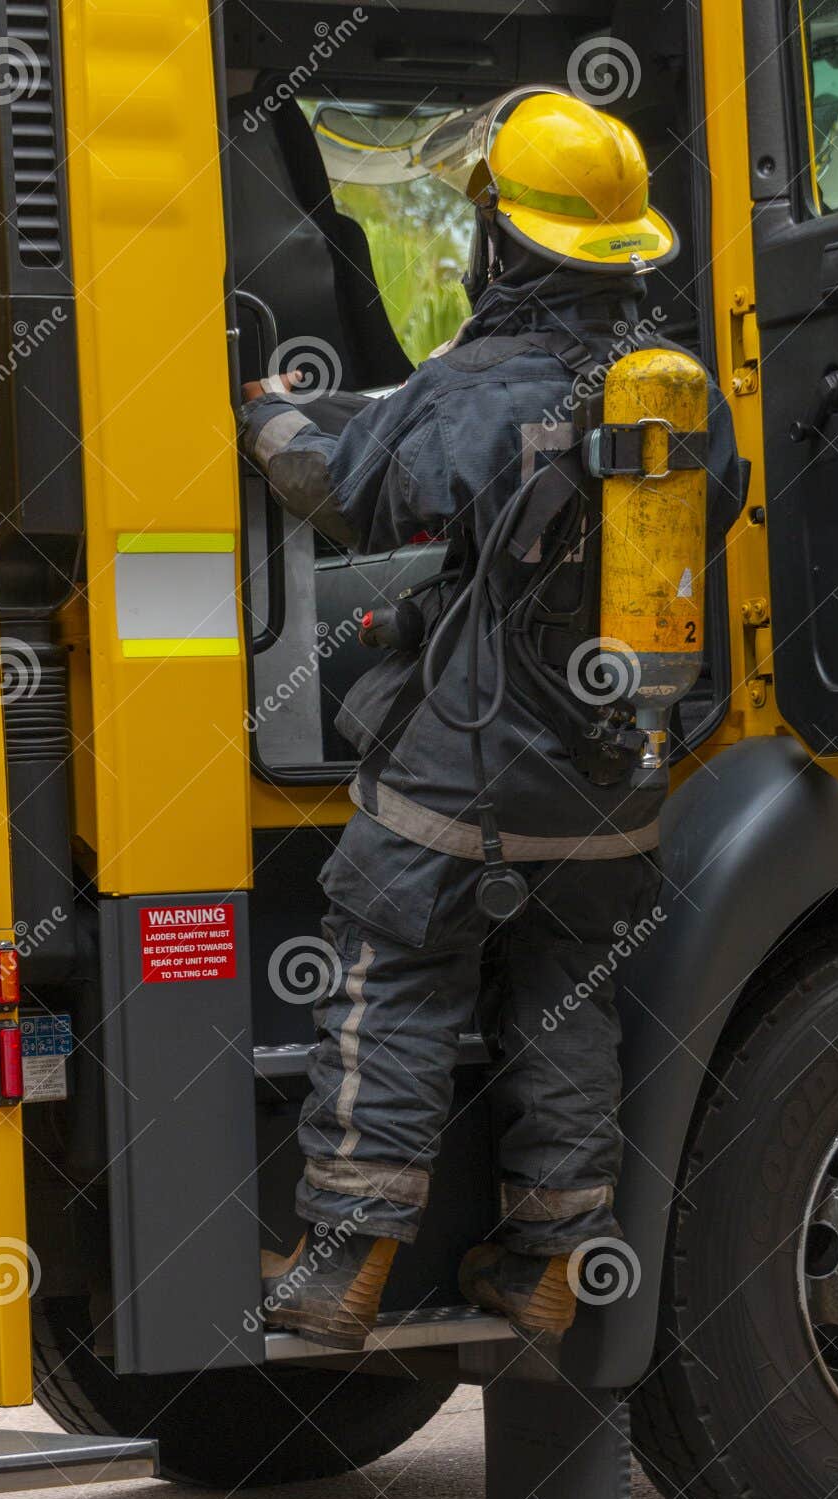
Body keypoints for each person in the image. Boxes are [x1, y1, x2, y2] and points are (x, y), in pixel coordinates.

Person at [239, 90, 743, 1352]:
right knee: (564, 1001)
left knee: (389, 978)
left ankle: (343, 1264)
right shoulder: (677, 395)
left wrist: (264, 415)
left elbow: (345, 487)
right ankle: (549, 1261)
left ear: (506, 244)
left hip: (464, 786)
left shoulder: (483, 376)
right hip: (616, 785)